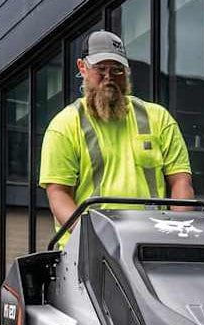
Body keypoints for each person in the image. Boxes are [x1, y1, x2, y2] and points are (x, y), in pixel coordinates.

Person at [39, 30, 194, 247]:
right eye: (100, 69)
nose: (109, 77)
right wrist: (93, 238)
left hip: (149, 244)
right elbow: (58, 193)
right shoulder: (65, 125)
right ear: (82, 67)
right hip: (87, 249)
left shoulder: (158, 118)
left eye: (117, 70)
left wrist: (179, 233)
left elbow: (181, 181)